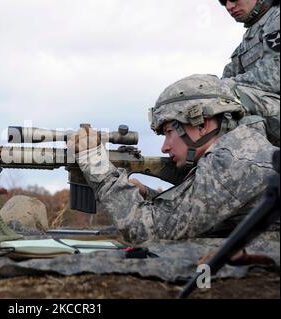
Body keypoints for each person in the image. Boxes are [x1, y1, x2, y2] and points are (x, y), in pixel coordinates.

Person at [68, 74, 279, 242]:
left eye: (170, 131)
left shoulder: (234, 163)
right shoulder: (240, 149)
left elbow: (144, 230)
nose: (164, 147)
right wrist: (147, 194)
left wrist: (94, 162)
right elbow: (195, 216)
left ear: (201, 124)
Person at [220, 0, 280, 146]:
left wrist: (223, 88)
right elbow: (227, 76)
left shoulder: (277, 19)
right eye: (223, 1)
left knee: (228, 99)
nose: (229, 7)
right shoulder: (251, 35)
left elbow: (274, 77)